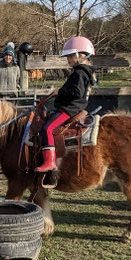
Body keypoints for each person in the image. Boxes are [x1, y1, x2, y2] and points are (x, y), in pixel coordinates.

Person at [37, 36, 96, 172]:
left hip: (69, 109)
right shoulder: (81, 72)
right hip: (72, 107)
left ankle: (50, 162)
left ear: (79, 55)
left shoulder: (79, 73)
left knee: (47, 128)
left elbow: (76, 92)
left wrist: (60, 91)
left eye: (70, 56)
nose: (67, 59)